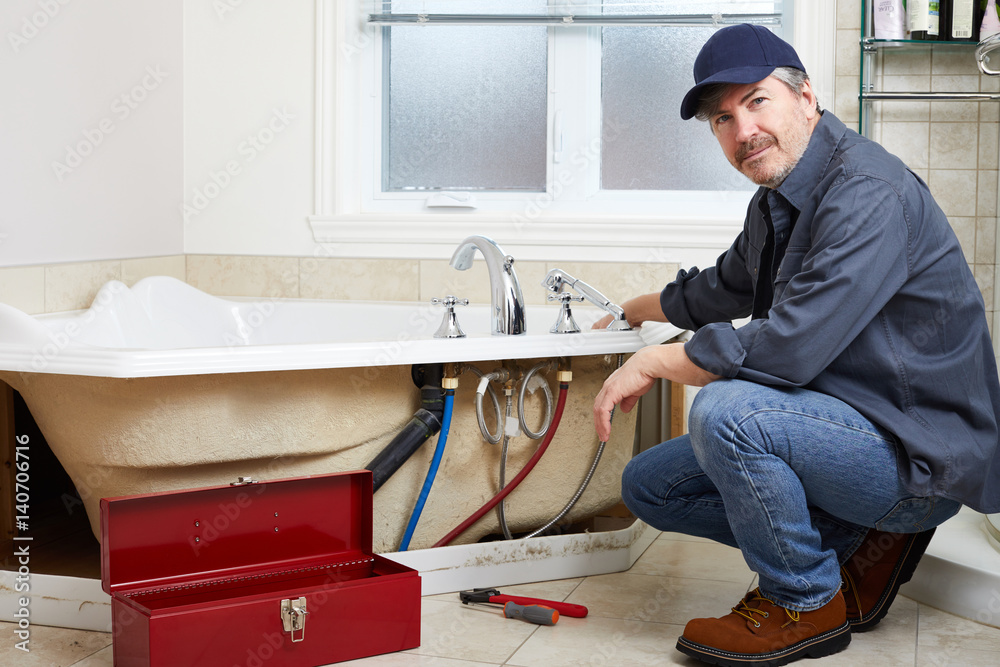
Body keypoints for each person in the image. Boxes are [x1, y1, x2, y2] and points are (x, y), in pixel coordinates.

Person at [591, 23, 1000, 667]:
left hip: (916, 453)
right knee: (650, 487)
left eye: (757, 101)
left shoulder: (867, 190)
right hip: (846, 427)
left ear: (805, 96)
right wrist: (633, 311)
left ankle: (805, 601)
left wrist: (659, 359)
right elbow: (727, 285)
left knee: (727, 413)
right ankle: (855, 545)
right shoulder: (776, 199)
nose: (743, 130)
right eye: (723, 119)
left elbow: (790, 348)